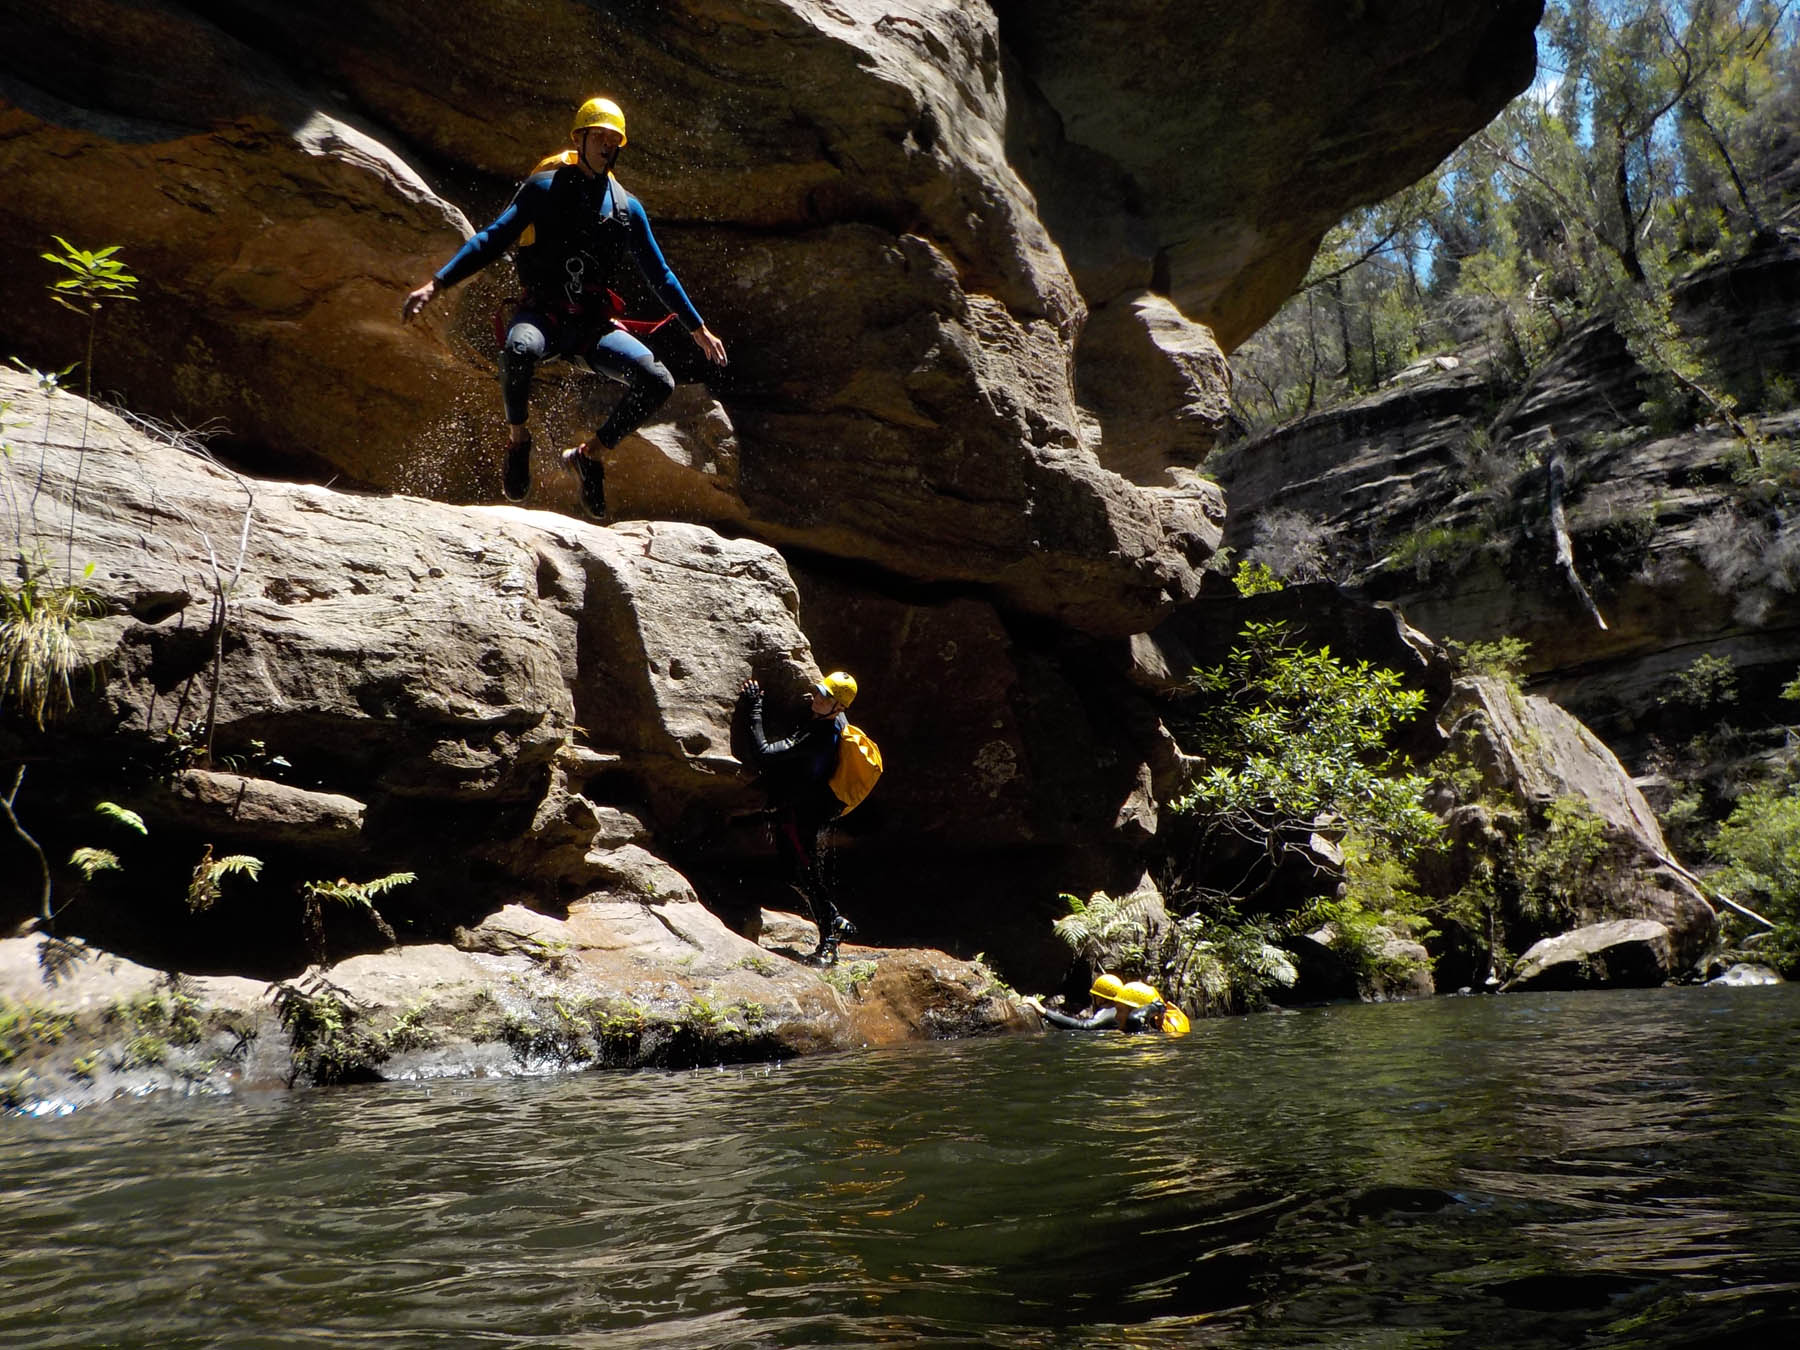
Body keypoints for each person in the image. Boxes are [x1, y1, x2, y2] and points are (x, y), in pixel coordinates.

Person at [401, 96, 727, 515]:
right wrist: (437, 284)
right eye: (599, 137)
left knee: (657, 380)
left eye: (613, 139)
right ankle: (519, 440)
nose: (607, 145)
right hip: (542, 315)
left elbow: (659, 274)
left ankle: (590, 456)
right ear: (580, 139)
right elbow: (492, 239)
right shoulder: (543, 189)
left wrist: (697, 328)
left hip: (591, 327)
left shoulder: (627, 209)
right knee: (519, 350)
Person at [737, 671, 860, 966]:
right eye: (818, 691)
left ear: (839, 707)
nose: (816, 697)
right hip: (799, 810)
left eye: (825, 697)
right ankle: (834, 919)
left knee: (806, 874)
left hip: (801, 815)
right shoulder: (833, 720)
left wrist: (754, 706)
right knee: (793, 873)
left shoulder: (817, 735)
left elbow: (763, 753)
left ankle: (829, 942)